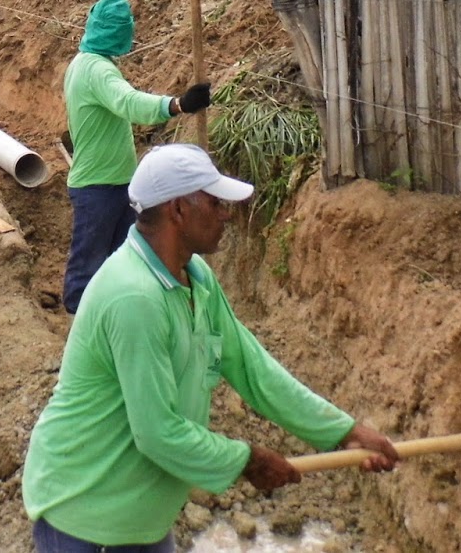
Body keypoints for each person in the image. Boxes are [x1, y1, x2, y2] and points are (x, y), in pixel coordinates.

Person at [23, 144, 398, 551]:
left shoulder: (195, 276)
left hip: (141, 518)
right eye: (215, 203)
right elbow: (157, 432)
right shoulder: (134, 298)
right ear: (177, 210)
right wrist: (247, 460)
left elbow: (252, 368)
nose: (226, 213)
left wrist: (343, 432)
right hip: (86, 515)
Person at [60, 0, 209, 313]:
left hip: (116, 183)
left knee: (119, 260)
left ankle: (115, 315)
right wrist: (177, 105)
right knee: (88, 265)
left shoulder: (84, 63)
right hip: (97, 187)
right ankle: (79, 323)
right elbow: (128, 102)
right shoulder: (97, 70)